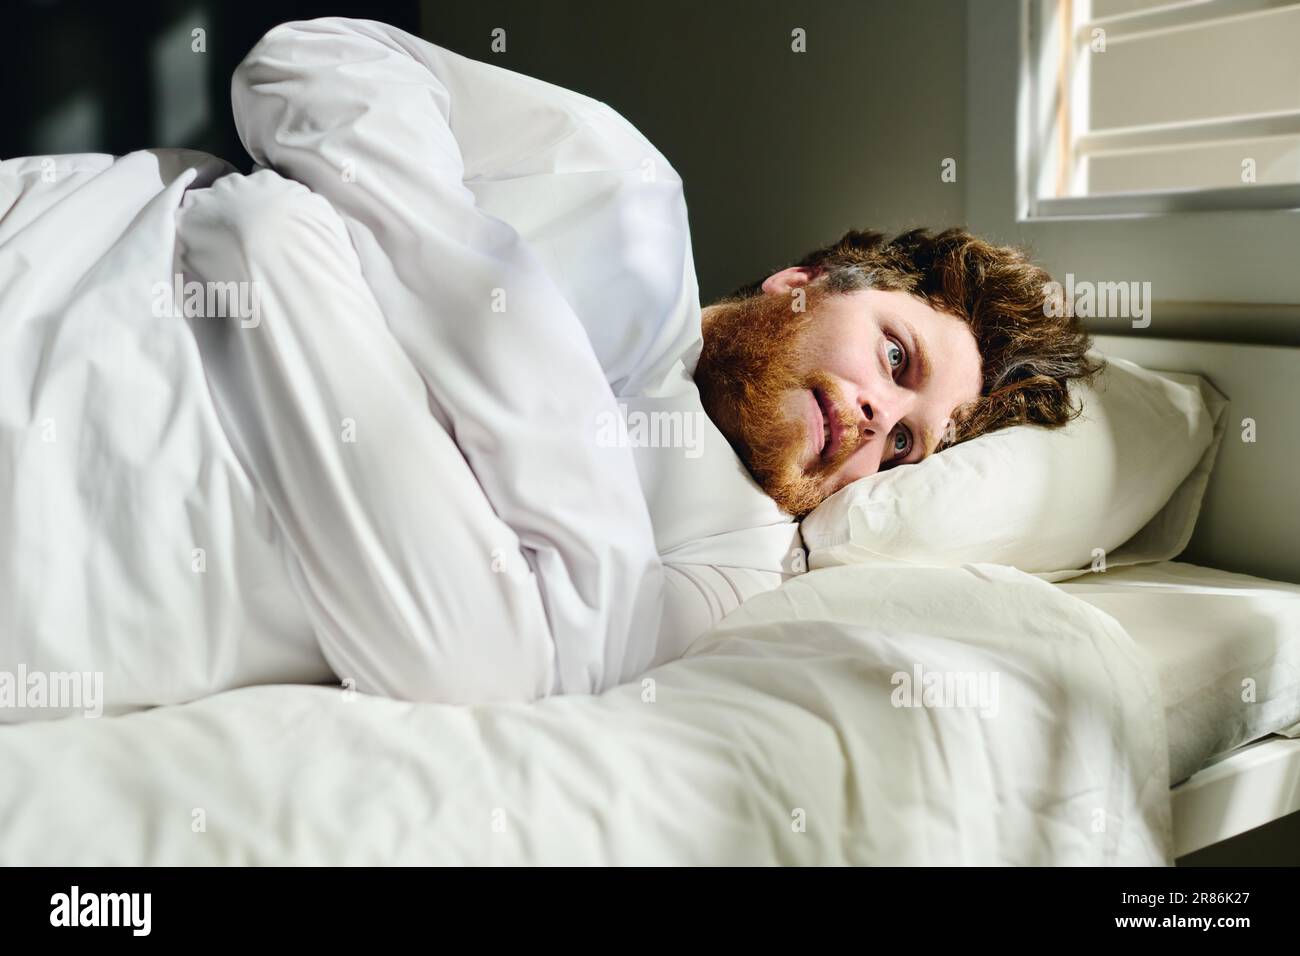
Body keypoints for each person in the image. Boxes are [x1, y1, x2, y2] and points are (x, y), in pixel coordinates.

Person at [11, 17, 1095, 713]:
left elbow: (461, 670)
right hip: (62, 275)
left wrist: (291, 253)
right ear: (800, 280)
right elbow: (302, 62)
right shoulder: (623, 196)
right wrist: (478, 288)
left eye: (905, 441)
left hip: (67, 579)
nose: (873, 418)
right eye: (895, 357)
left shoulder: (730, 561)